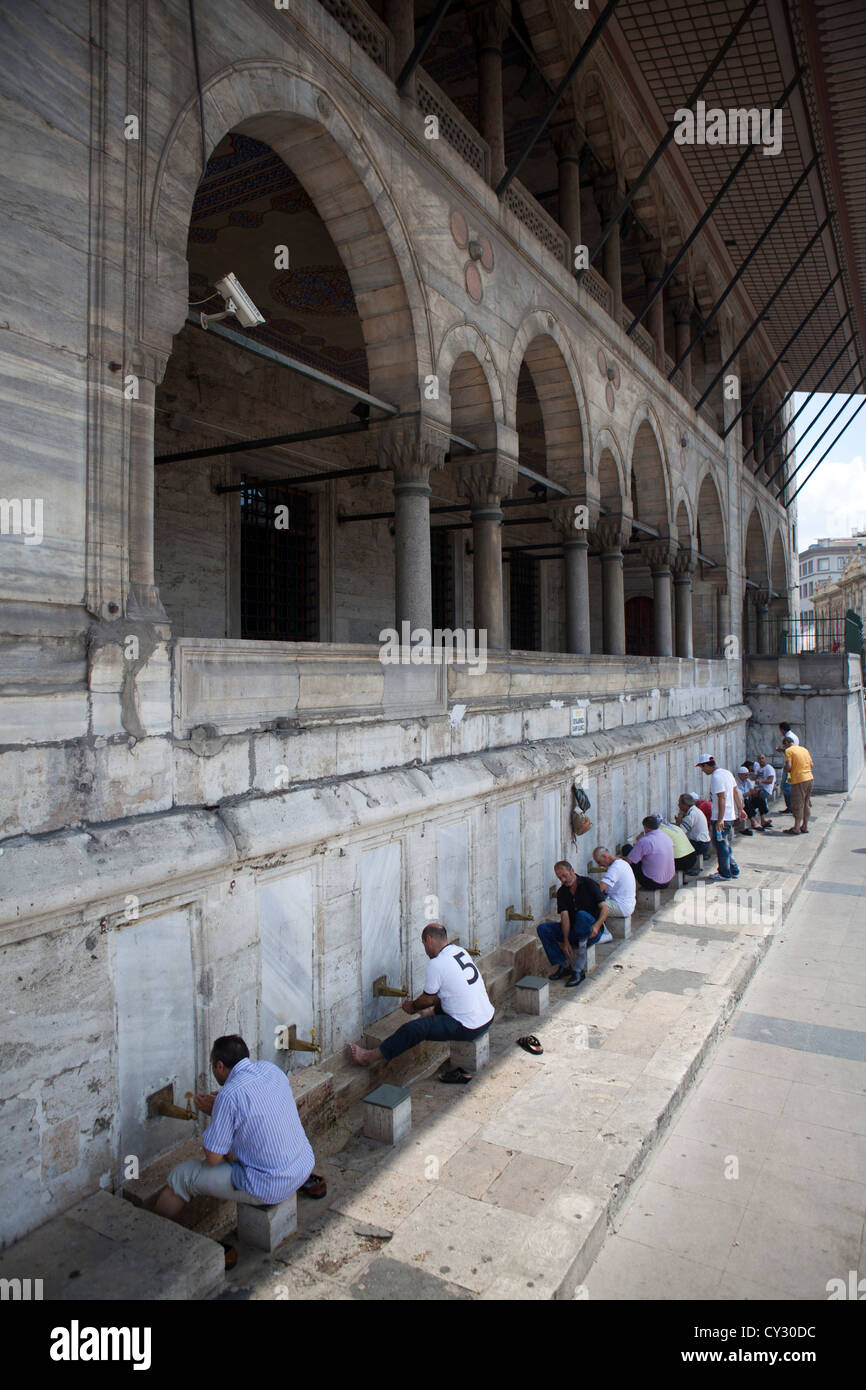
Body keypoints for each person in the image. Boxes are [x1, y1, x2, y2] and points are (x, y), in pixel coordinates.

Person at [154, 1035, 325, 1265]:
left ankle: (155, 1233)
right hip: (302, 1165)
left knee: (182, 1177)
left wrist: (217, 1112)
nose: (213, 1072)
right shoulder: (269, 1069)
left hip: (270, 1185)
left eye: (212, 1067)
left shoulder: (229, 1095)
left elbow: (213, 1158)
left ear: (220, 1066)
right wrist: (223, 1111)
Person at [347, 922, 494, 1065]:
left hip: (470, 1026)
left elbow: (427, 999)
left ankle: (369, 1056)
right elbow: (450, 993)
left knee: (413, 1029)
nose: (425, 949)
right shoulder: (459, 951)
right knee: (444, 1002)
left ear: (429, 940)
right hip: (487, 1016)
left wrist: (412, 1007)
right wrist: (432, 1011)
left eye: (423, 944)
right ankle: (432, 1015)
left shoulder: (437, 963)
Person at [536, 859, 612, 989]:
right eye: (560, 878)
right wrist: (565, 941)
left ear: (572, 871)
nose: (563, 880)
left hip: (591, 931)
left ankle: (578, 970)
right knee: (543, 929)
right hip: (573, 931)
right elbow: (564, 917)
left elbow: (605, 909)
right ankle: (564, 965)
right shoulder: (562, 892)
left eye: (564, 875)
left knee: (582, 915)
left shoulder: (589, 884)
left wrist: (597, 926)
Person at [695, 754, 746, 882]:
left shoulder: (716, 777)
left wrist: (720, 819)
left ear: (706, 765)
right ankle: (733, 869)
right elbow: (734, 792)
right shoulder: (727, 773)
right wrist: (740, 809)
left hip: (721, 818)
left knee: (721, 845)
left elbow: (721, 797)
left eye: (702, 767)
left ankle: (724, 873)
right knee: (724, 844)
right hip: (729, 816)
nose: (702, 770)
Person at [622, 815, 675, 890]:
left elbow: (629, 861)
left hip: (652, 882)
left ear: (645, 827)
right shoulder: (667, 837)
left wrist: (618, 860)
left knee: (627, 849)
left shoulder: (645, 841)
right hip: (668, 881)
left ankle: (628, 888)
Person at [592, 846, 637, 918]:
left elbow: (600, 888)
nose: (600, 865)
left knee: (590, 905)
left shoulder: (615, 867)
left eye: (599, 862)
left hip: (621, 906)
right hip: (627, 904)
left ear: (604, 856)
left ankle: (599, 928)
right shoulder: (621, 863)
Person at [783, 736, 814, 834]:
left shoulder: (788, 751)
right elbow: (811, 765)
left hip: (799, 780)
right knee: (806, 803)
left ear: (787, 743)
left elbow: (789, 767)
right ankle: (804, 826)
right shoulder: (804, 749)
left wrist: (786, 769)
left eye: (784, 745)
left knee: (797, 803)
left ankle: (796, 828)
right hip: (809, 778)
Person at [675, 793, 712, 864]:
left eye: (679, 803)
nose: (678, 805)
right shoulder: (694, 810)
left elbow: (680, 832)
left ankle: (687, 866)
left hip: (700, 844)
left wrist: (678, 821)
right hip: (703, 843)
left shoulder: (691, 814)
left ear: (685, 805)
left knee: (678, 846)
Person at [775, 724, 798, 814]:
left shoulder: (789, 746)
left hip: (790, 770)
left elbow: (789, 757)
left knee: (786, 787)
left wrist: (786, 770)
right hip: (794, 769)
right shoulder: (794, 736)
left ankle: (790, 807)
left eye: (785, 745)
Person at [750, 754, 776, 829]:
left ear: (765, 759)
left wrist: (761, 781)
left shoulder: (769, 768)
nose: (761, 760)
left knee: (759, 798)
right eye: (759, 759)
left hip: (766, 789)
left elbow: (770, 781)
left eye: (762, 758)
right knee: (751, 800)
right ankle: (761, 820)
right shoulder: (759, 769)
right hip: (758, 788)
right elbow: (755, 777)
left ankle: (761, 819)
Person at [735, 766, 756, 835]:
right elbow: (738, 796)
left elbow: (751, 789)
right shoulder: (736, 782)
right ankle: (754, 821)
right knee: (746, 803)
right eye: (745, 775)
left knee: (759, 799)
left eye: (748, 774)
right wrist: (749, 793)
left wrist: (754, 792)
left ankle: (762, 819)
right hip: (740, 800)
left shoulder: (747, 781)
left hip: (747, 799)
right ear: (740, 775)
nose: (747, 776)